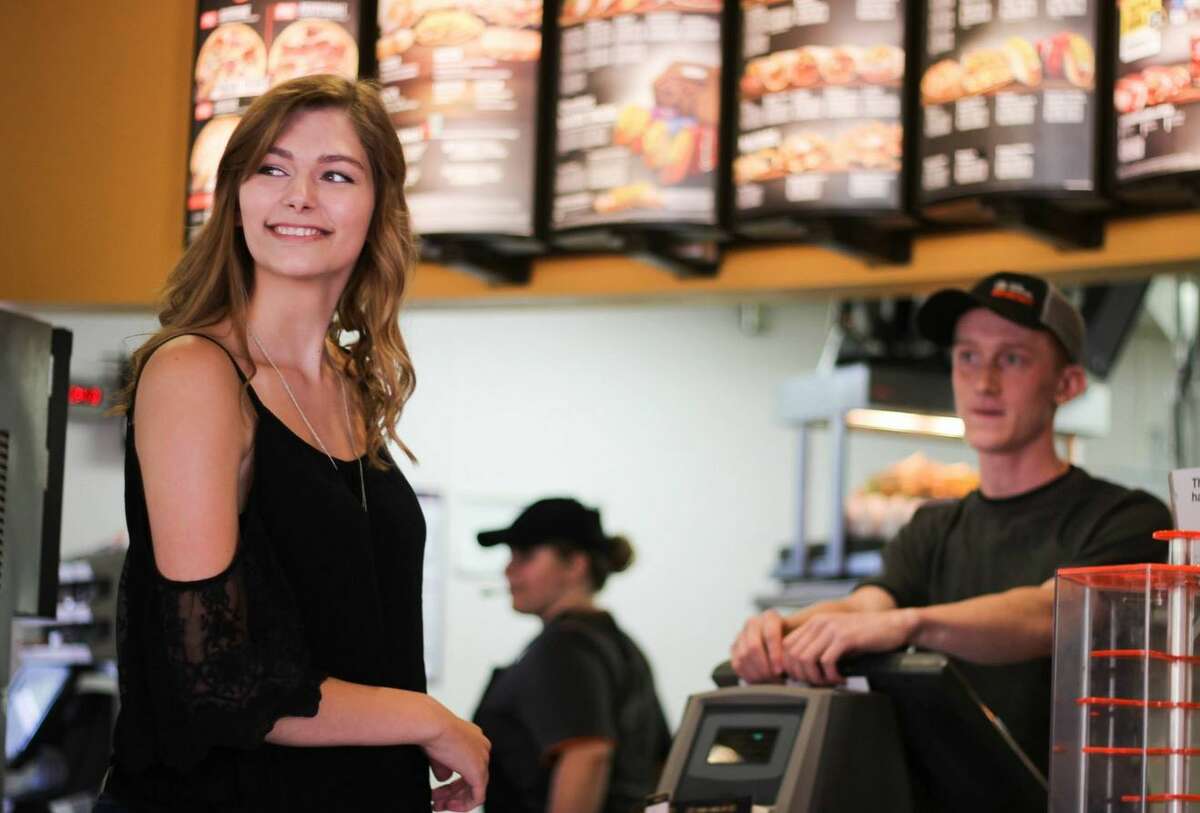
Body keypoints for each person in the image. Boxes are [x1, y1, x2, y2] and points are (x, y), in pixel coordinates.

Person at [96, 75, 488, 812]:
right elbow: (219, 680)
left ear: (378, 209)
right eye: (272, 169)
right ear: (236, 198)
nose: (299, 195)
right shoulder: (195, 373)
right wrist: (427, 717)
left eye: (335, 174)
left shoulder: (354, 387)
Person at [730, 272, 1171, 774]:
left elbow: (1052, 614)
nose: (984, 382)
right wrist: (781, 630)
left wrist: (910, 624)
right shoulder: (932, 528)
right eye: (967, 357)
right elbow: (867, 603)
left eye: (1012, 358)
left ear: (1067, 384)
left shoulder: (1130, 519)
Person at [471, 498, 672, 813]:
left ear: (575, 564)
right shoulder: (620, 645)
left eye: (525, 555)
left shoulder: (565, 647)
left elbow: (588, 756)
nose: (508, 570)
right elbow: (660, 765)